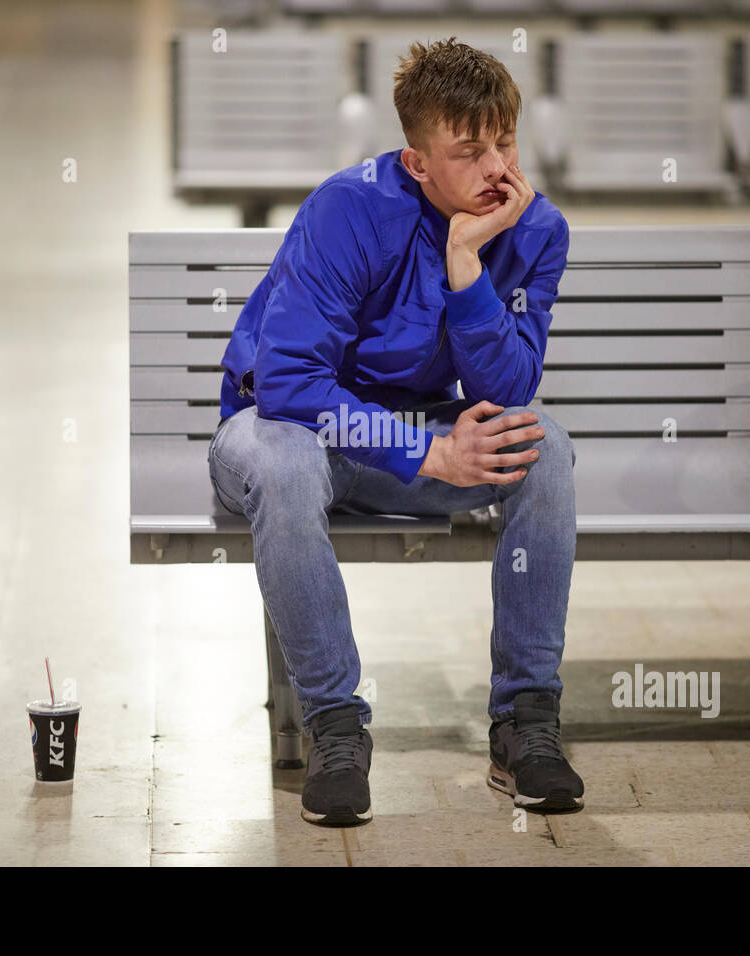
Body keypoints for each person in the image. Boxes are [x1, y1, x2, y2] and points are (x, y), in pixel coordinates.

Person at [209, 37, 582, 826]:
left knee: (541, 447)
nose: (497, 171)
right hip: (284, 426)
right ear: (417, 163)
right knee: (283, 466)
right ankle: (336, 728)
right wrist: (430, 451)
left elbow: (509, 389)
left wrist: (467, 266)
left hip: (400, 433)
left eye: (505, 143)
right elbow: (289, 384)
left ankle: (525, 723)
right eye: (470, 152)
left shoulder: (535, 229)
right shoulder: (350, 209)